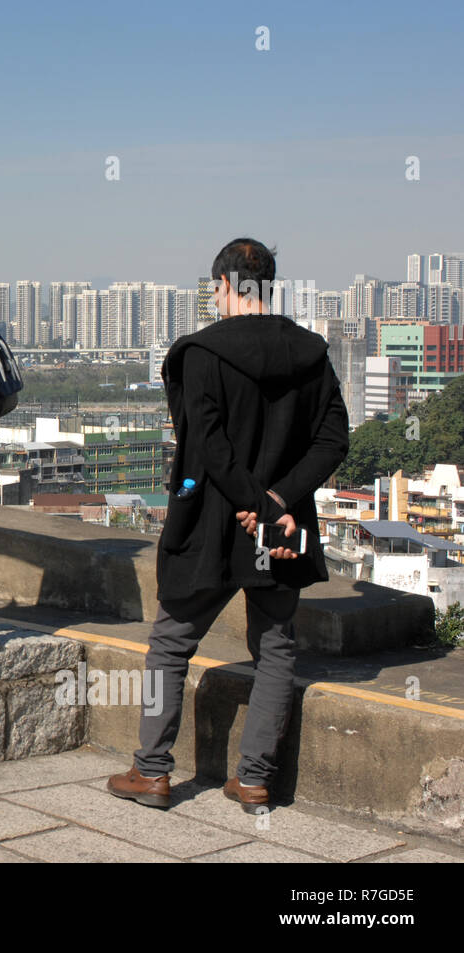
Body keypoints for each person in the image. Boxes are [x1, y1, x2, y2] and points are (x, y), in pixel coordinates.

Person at [107, 238, 348, 811]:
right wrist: (279, 500)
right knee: (275, 646)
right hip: (282, 528)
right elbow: (333, 439)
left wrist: (252, 501)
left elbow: (207, 446)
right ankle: (256, 779)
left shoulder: (200, 353)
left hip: (214, 522)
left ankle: (154, 772)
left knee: (171, 641)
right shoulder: (311, 351)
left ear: (222, 287)